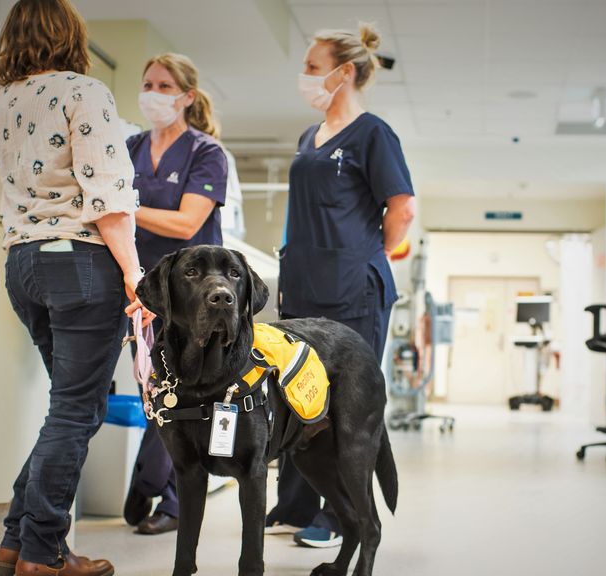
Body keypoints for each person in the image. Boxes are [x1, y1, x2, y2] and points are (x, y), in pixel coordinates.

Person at [0, 1, 152, 575]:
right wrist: (133, 272)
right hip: (80, 261)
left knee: (72, 410)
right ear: (70, 36)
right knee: (76, 411)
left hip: (22, 264)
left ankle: (15, 542)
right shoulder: (85, 92)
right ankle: (41, 553)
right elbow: (106, 193)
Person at [266, 22, 416, 549]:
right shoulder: (311, 136)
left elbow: (402, 208)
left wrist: (366, 251)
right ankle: (293, 504)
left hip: (354, 287)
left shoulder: (372, 133)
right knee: (295, 393)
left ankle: (341, 515)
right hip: (304, 283)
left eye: (313, 66)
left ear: (344, 71)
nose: (305, 76)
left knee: (345, 403)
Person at [122, 52, 228, 536]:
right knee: (150, 390)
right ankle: (151, 483)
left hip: (193, 300)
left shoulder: (206, 152)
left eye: (165, 86)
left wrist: (123, 203)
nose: (153, 93)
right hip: (140, 287)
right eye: (148, 83)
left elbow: (187, 223)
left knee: (182, 393)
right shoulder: (130, 146)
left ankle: (164, 495)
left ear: (186, 96)